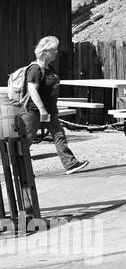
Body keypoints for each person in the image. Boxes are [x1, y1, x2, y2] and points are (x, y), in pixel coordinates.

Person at [20, 36, 90, 174]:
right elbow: (32, 90)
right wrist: (42, 109)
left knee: (59, 136)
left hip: (50, 111)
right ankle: (19, 170)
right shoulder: (35, 69)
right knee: (26, 140)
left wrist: (49, 109)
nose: (56, 52)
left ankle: (71, 164)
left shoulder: (49, 67)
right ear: (45, 52)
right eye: (54, 50)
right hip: (34, 112)